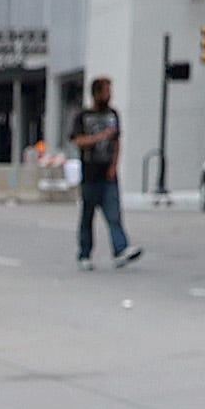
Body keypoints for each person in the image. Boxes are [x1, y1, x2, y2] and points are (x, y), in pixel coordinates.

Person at [71, 76, 135, 267]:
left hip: (108, 173)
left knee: (114, 213)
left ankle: (121, 249)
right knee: (87, 215)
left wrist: (114, 166)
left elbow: (116, 142)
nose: (109, 95)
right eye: (106, 91)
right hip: (90, 174)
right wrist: (99, 137)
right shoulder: (83, 116)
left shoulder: (113, 114)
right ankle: (84, 254)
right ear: (96, 93)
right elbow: (78, 141)